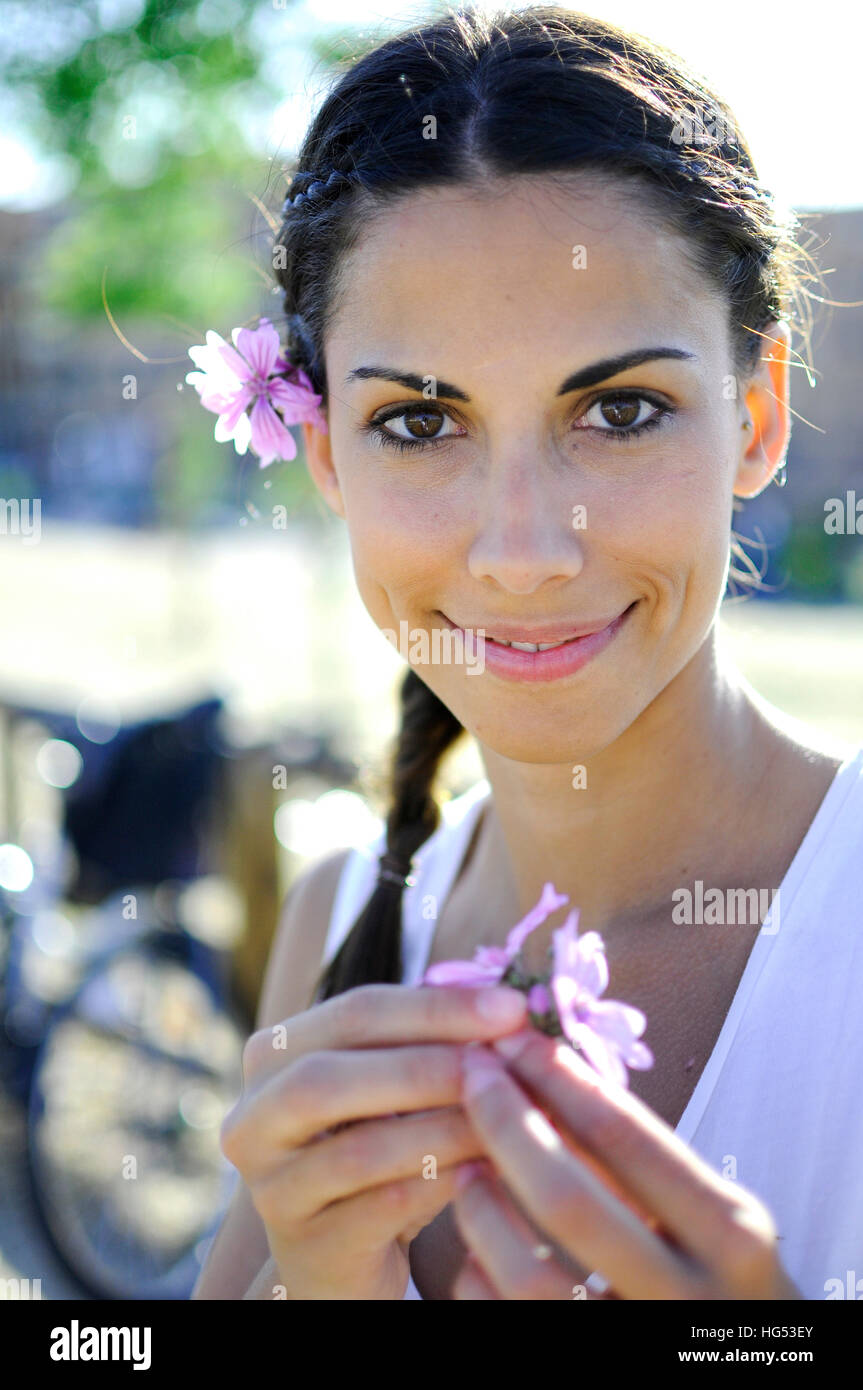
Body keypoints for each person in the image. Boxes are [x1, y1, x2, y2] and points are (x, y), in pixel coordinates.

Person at [191, 5, 862, 1300]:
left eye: (620, 410)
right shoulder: (333, 921)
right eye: (419, 421)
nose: (523, 552)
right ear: (325, 451)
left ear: (759, 416)